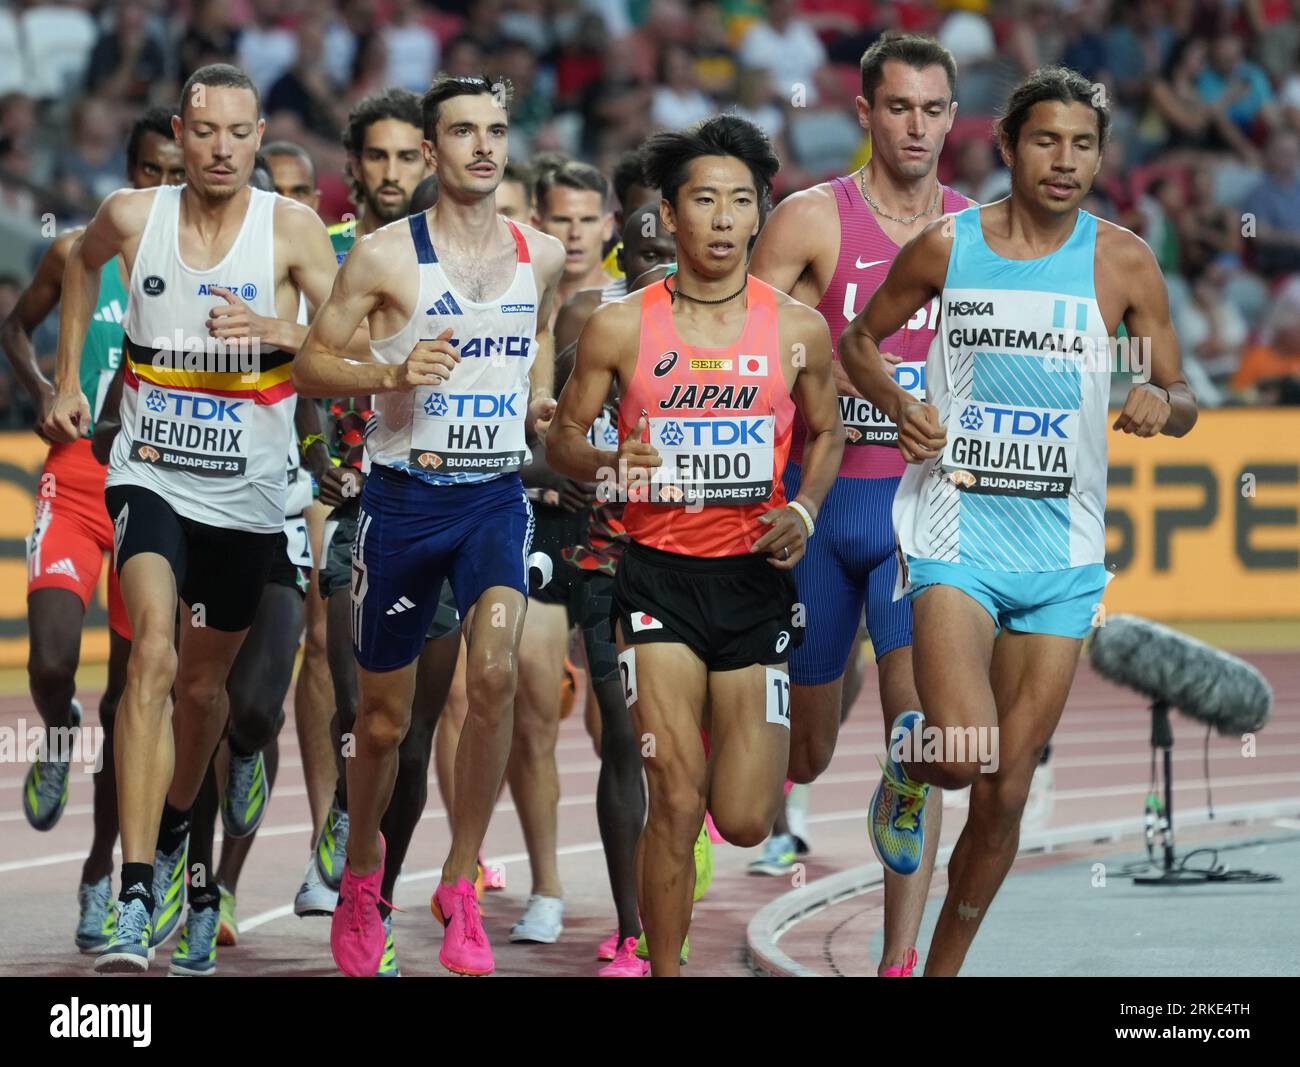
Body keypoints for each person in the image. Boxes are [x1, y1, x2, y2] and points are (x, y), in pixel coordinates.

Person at [840, 65, 1198, 977]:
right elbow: (857, 341)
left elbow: (1177, 386)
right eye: (1045, 140)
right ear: (1005, 145)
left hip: (1064, 555)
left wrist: (1162, 399)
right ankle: (912, 764)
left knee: (1003, 795)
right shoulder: (947, 247)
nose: (1065, 160)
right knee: (964, 755)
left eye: (1083, 144)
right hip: (956, 536)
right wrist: (895, 398)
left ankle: (939, 971)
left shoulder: (1121, 261)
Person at [42, 63, 346, 974]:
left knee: (204, 694)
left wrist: (284, 333)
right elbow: (76, 263)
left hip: (250, 499)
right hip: (148, 479)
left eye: (239, 132)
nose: (221, 148)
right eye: (204, 131)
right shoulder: (134, 217)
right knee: (153, 664)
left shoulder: (292, 231)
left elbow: (345, 354)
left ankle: (178, 829)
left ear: (259, 136)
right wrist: (65, 380)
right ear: (181, 134)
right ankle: (137, 890)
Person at [547, 114, 843, 975]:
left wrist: (810, 509)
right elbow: (563, 442)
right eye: (702, 200)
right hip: (656, 583)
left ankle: (725, 748)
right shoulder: (619, 326)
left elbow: (825, 433)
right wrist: (609, 457)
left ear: (760, 215)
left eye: (738, 201)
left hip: (755, 582)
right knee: (672, 798)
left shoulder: (797, 329)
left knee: (746, 817)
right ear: (669, 217)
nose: (720, 218)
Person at [293, 73, 564, 978]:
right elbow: (311, 368)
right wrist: (391, 371)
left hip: (493, 497)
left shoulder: (545, 255)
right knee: (381, 722)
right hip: (404, 502)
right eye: (462, 132)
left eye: (496, 129)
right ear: (434, 147)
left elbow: (537, 355)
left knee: (493, 677)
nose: (484, 146)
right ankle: (365, 872)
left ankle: (460, 884)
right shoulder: (382, 257)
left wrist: (545, 409)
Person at [748, 32, 970, 975]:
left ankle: (896, 959)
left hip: (922, 514)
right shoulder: (810, 220)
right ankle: (785, 737)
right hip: (824, 507)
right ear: (867, 114)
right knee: (802, 753)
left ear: (954, 119)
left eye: (933, 109)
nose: (916, 126)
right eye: (899, 107)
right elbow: (745, 350)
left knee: (916, 724)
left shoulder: (977, 230)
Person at [1, 106, 183, 955]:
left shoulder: (208, 266)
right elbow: (13, 324)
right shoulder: (78, 248)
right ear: (125, 172)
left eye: (173, 174)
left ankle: (101, 872)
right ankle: (55, 729)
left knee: (133, 701)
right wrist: (41, 388)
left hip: (155, 487)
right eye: (148, 171)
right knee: (49, 661)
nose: (161, 187)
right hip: (76, 482)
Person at [552, 204, 675, 975]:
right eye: (643, 249)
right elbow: (556, 440)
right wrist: (582, 470)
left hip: (710, 560)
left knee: (709, 766)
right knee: (626, 741)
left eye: (668, 247)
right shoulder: (591, 322)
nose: (657, 260)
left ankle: (675, 870)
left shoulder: (748, 321)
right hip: (609, 558)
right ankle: (635, 927)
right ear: (619, 255)